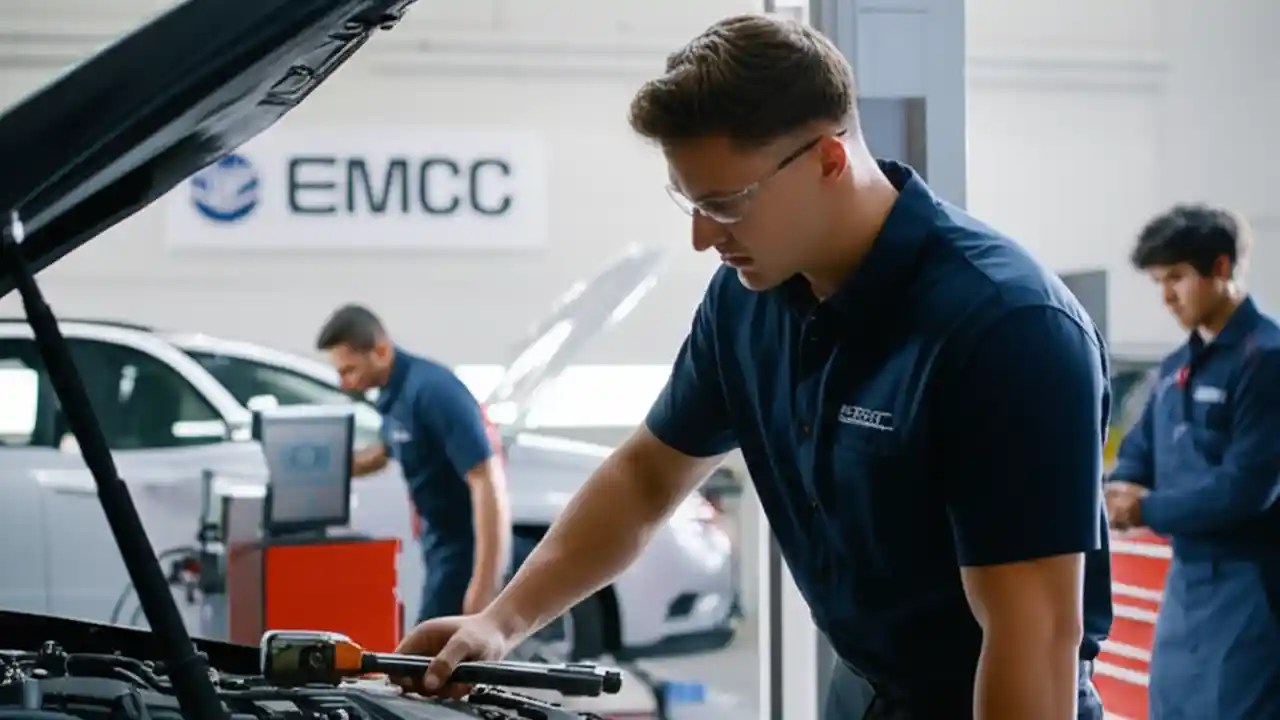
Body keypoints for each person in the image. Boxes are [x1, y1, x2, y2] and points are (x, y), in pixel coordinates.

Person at [395, 14, 1113, 719]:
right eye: (690, 201)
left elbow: (1034, 636)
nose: (704, 237)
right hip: (863, 691)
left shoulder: (1005, 330)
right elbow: (647, 477)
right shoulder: (749, 302)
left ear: (830, 160)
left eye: (726, 204)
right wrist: (501, 621)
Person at [1105, 205, 1280, 720]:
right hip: (1187, 587)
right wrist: (1124, 486)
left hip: (1251, 587)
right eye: (1160, 281)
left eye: (1177, 277)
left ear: (1221, 269)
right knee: (1173, 708)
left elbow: (1245, 490)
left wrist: (1146, 510)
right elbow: (1140, 448)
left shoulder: (1266, 360)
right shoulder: (1177, 365)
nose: (1167, 296)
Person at [315, 304, 512, 623]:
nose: (344, 383)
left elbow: (487, 478)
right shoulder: (394, 394)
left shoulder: (433, 391)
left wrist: (484, 584)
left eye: (348, 370)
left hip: (464, 549)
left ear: (380, 351)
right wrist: (317, 467)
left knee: (432, 655)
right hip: (437, 544)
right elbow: (385, 451)